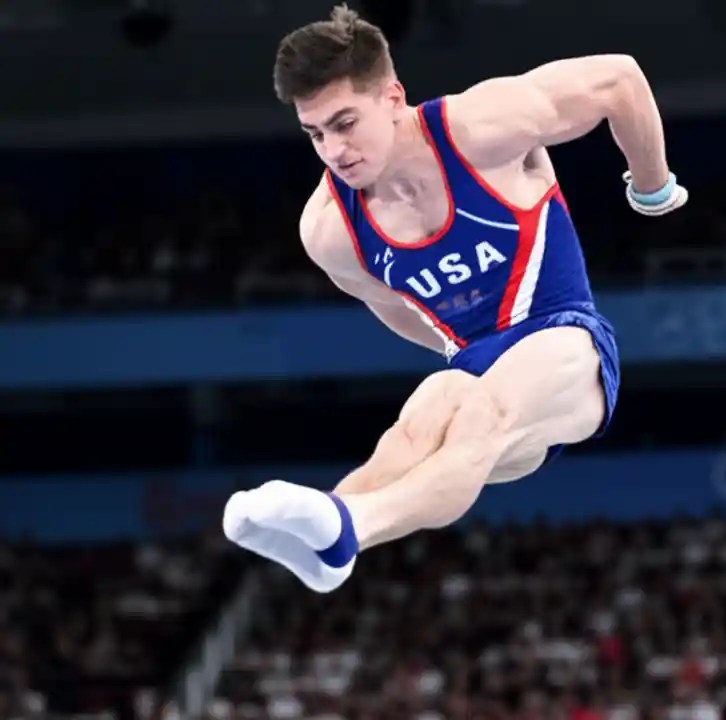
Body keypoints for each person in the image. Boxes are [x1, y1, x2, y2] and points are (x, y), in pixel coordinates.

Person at [221, 4, 687, 593]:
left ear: (392, 98)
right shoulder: (329, 231)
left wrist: (652, 187)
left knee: (476, 414)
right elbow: (394, 306)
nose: (334, 151)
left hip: (567, 343)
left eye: (344, 123)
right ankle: (330, 532)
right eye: (314, 133)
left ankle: (348, 529)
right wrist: (459, 347)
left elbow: (620, 80)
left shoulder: (477, 129)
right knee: (417, 425)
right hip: (479, 363)